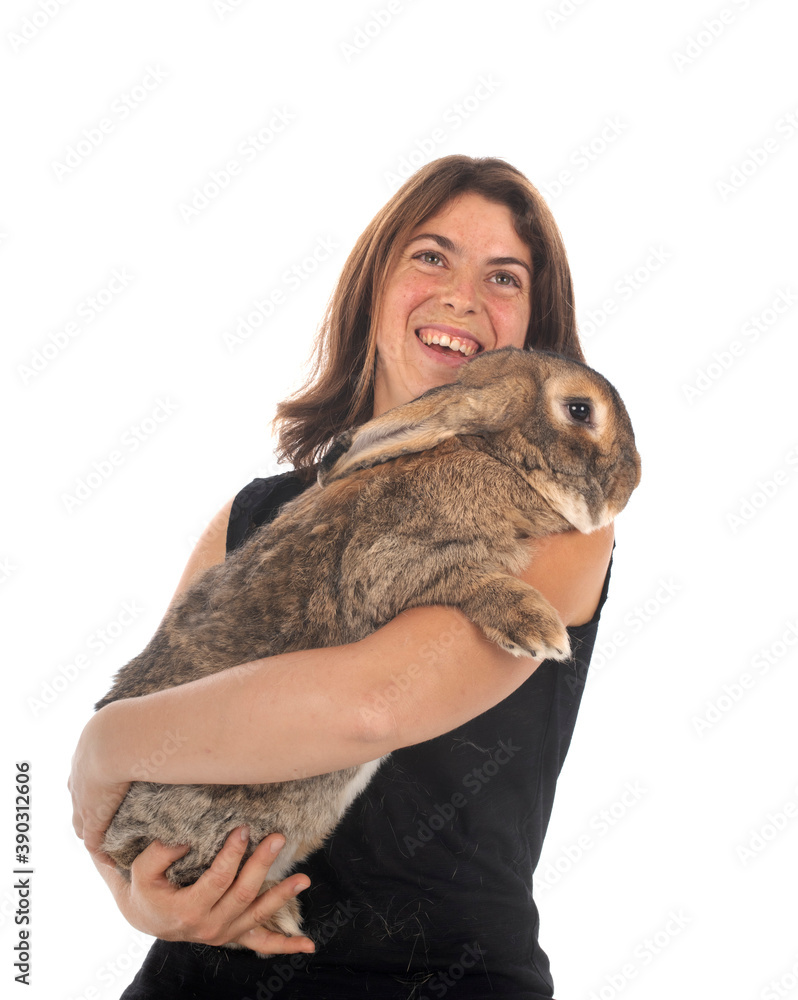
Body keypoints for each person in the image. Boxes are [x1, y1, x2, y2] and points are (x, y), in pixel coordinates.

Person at [69, 154, 618, 998]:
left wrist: (101, 751)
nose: (463, 295)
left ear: (533, 341)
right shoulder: (257, 514)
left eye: (502, 277)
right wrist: (144, 901)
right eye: (431, 256)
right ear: (374, 286)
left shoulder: (561, 520)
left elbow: (369, 706)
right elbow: (146, 722)